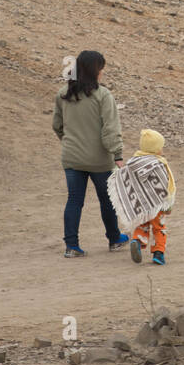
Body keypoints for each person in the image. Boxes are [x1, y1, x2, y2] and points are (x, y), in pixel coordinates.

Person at [52, 50, 129, 257]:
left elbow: (57, 125)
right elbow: (110, 129)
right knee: (107, 200)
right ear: (95, 70)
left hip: (71, 158)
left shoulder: (63, 93)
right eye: (101, 68)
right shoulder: (103, 95)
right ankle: (114, 239)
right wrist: (118, 155)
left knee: (74, 200)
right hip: (99, 160)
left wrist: (69, 142)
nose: (102, 72)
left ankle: (71, 246)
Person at [107, 128, 175, 267]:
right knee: (159, 228)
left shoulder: (134, 162)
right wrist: (168, 205)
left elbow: (125, 176)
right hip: (157, 205)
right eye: (160, 147)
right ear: (156, 149)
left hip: (141, 205)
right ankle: (158, 253)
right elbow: (166, 185)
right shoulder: (160, 164)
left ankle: (137, 241)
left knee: (142, 224)